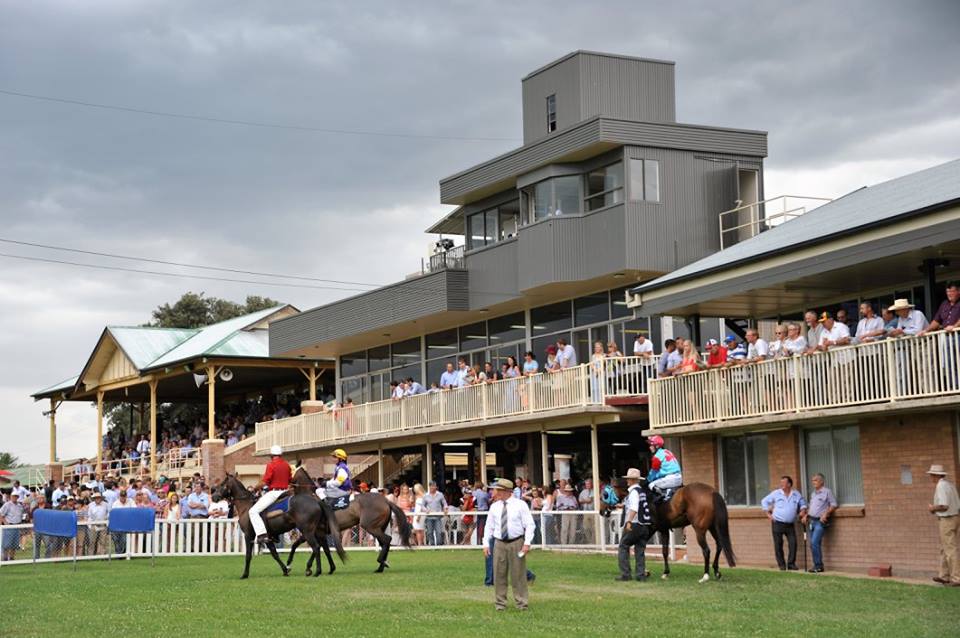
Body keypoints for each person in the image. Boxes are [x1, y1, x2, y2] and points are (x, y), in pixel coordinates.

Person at [482, 479, 536, 611]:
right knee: (499, 574)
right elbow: (489, 526)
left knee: (518, 574)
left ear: (505, 491)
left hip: (516, 542)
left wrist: (527, 543)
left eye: (496, 489)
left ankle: (522, 603)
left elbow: (529, 524)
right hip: (499, 543)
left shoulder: (520, 505)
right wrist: (485, 544)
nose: (494, 492)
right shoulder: (495, 506)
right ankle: (500, 604)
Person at [760, 476, 807, 570]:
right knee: (778, 544)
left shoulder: (796, 494)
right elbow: (764, 501)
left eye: (783, 482)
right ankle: (781, 564)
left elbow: (803, 503)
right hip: (777, 522)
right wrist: (767, 514)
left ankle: (791, 564)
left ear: (789, 484)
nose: (781, 484)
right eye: (781, 482)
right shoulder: (776, 493)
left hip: (790, 524)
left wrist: (803, 510)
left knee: (793, 543)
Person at [249, 444, 292, 544]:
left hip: (275, 493)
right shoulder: (287, 465)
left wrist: (255, 488)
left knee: (253, 511)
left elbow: (265, 482)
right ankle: (274, 533)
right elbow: (290, 479)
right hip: (286, 492)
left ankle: (261, 535)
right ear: (281, 454)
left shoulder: (271, 464)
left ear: (272, 455)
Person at [616, 469, 653, 581]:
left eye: (628, 479)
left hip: (635, 523)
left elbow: (634, 508)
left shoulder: (633, 492)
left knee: (623, 546)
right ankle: (640, 575)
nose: (627, 481)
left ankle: (625, 574)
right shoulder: (641, 491)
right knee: (640, 550)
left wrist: (629, 521)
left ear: (632, 480)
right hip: (644, 524)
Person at [927, 464, 960, 586]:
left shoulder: (940, 486)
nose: (930, 477)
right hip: (955, 517)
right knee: (945, 548)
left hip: (947, 519)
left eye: (931, 475)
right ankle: (944, 575)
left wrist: (932, 508)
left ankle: (956, 578)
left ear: (935, 476)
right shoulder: (950, 484)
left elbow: (943, 506)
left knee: (950, 549)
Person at [805, 473, 837, 573]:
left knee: (814, 542)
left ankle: (818, 566)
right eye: (813, 480)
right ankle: (817, 565)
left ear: (821, 481)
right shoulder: (813, 494)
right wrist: (806, 515)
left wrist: (825, 513)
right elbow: (811, 506)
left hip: (820, 522)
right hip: (811, 521)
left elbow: (834, 504)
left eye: (815, 480)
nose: (813, 482)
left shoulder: (827, 492)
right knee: (812, 544)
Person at [646, 435, 682, 499]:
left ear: (656, 446)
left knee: (651, 485)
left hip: (670, 479)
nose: (650, 447)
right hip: (679, 478)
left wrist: (648, 479)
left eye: (651, 445)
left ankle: (663, 497)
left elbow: (653, 473)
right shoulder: (667, 451)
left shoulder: (657, 457)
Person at [0, 492, 26, 561]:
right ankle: (4, 559)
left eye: (16, 496)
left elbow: (22, 514)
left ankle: (11, 558)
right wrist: (5, 523)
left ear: (18, 497)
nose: (15, 497)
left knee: (14, 544)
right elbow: (1, 514)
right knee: (6, 544)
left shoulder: (20, 506)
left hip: (17, 526)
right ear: (11, 496)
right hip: (9, 526)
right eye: (13, 496)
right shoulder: (7, 504)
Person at [422, 481, 448, 545]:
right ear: (429, 487)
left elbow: (444, 503)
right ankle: (432, 545)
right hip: (429, 517)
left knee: (438, 532)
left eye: (434, 486)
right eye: (432, 486)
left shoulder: (440, 494)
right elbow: (422, 506)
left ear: (436, 487)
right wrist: (426, 510)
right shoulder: (425, 496)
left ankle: (439, 545)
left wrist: (445, 508)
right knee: (429, 532)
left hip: (438, 517)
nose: (433, 487)